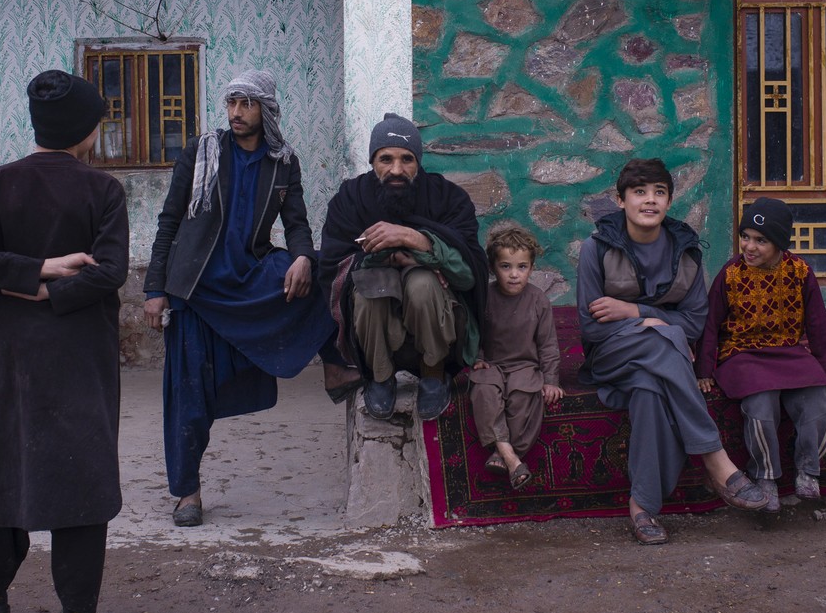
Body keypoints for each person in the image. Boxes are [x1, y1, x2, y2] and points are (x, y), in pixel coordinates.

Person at [0, 70, 128, 613]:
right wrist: (51, 276)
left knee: (0, 466)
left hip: (9, 360)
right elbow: (111, 271)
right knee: (81, 471)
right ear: (87, 130)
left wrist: (29, 281)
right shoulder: (103, 191)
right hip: (80, 358)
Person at [144, 69, 357, 528]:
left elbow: (296, 223)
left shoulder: (283, 162)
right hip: (196, 289)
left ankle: (335, 366)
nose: (236, 112)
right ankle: (187, 492)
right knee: (188, 395)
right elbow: (169, 221)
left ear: (266, 110)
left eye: (247, 104)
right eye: (232, 103)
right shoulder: (201, 152)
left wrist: (302, 257)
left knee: (327, 271)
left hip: (249, 276)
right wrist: (155, 290)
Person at [577, 157, 772, 546]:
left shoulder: (685, 251)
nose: (650, 200)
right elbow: (591, 327)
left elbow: (695, 323)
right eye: (639, 192)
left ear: (669, 201)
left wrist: (636, 312)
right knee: (664, 338)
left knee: (649, 388)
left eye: (659, 192)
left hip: (653, 365)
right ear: (621, 200)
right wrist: (660, 326)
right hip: (610, 355)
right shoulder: (596, 249)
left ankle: (642, 506)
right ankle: (716, 460)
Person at [320, 113, 487, 422]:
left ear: (418, 162)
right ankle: (380, 377)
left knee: (422, 283)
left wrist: (417, 240)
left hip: (438, 326)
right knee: (372, 286)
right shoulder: (350, 199)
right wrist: (386, 256)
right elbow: (332, 269)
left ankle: (434, 374)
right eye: (386, 159)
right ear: (372, 161)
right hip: (375, 329)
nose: (396, 170)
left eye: (406, 159)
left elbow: (469, 274)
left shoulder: (448, 198)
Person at [696, 197, 826, 509]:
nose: (749, 247)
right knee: (760, 403)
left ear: (779, 243)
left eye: (761, 240)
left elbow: (818, 324)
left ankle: (808, 470)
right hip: (742, 354)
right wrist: (704, 370)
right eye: (745, 237)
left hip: (788, 352)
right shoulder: (731, 274)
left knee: (819, 400)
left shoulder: (799, 272)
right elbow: (710, 323)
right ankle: (766, 476)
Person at [467, 225, 563, 490]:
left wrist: (551, 380)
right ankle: (512, 460)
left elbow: (548, 345)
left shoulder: (538, 300)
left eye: (522, 267)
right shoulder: (485, 297)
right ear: (492, 268)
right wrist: (477, 356)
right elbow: (473, 332)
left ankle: (504, 453)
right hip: (492, 364)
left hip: (524, 366)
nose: (513, 274)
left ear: (531, 268)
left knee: (524, 399)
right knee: (483, 391)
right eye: (505, 266)